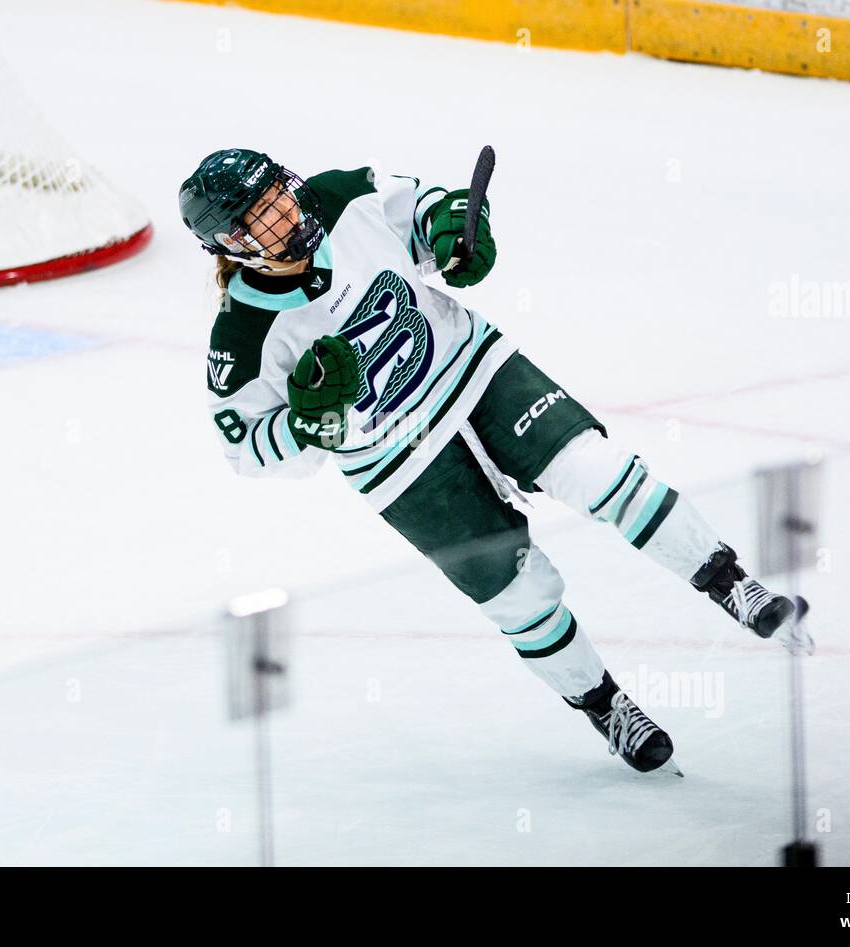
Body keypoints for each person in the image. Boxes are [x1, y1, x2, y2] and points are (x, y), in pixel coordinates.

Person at [179, 148, 803, 775]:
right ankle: (604, 705)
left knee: (601, 473)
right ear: (233, 242)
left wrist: (452, 226)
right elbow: (246, 449)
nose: (285, 209)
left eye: (280, 191)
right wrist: (306, 423)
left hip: (476, 371)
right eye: (262, 214)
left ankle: (731, 583)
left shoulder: (342, 195)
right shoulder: (239, 338)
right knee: (519, 596)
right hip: (398, 460)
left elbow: (423, 212)